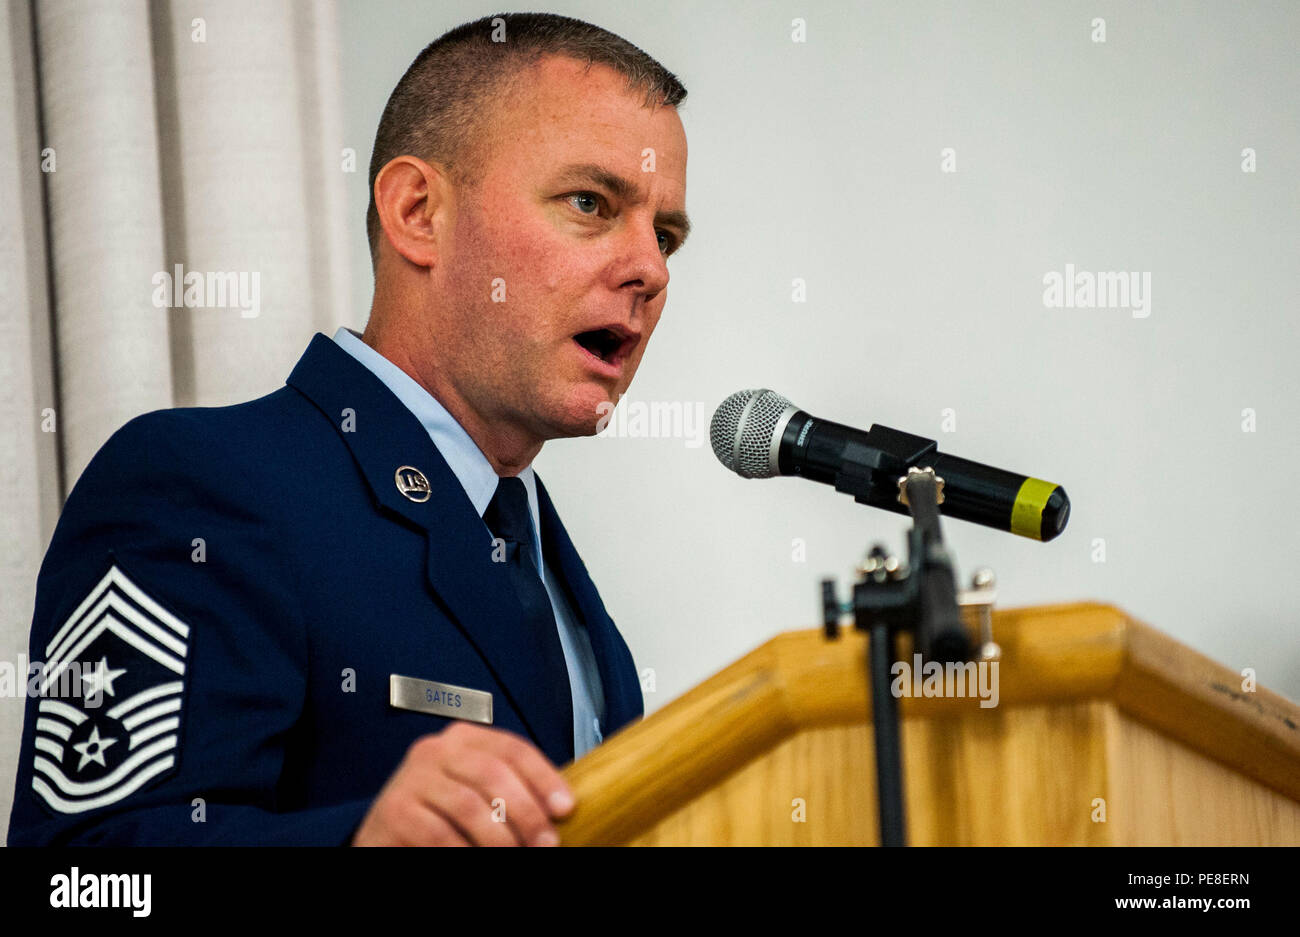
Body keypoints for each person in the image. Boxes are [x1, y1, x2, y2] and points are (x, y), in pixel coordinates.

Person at [6, 12, 689, 847]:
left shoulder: (571, 599)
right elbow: (80, 879)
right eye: (591, 202)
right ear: (417, 211)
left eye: (666, 235)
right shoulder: (199, 488)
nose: (650, 269)